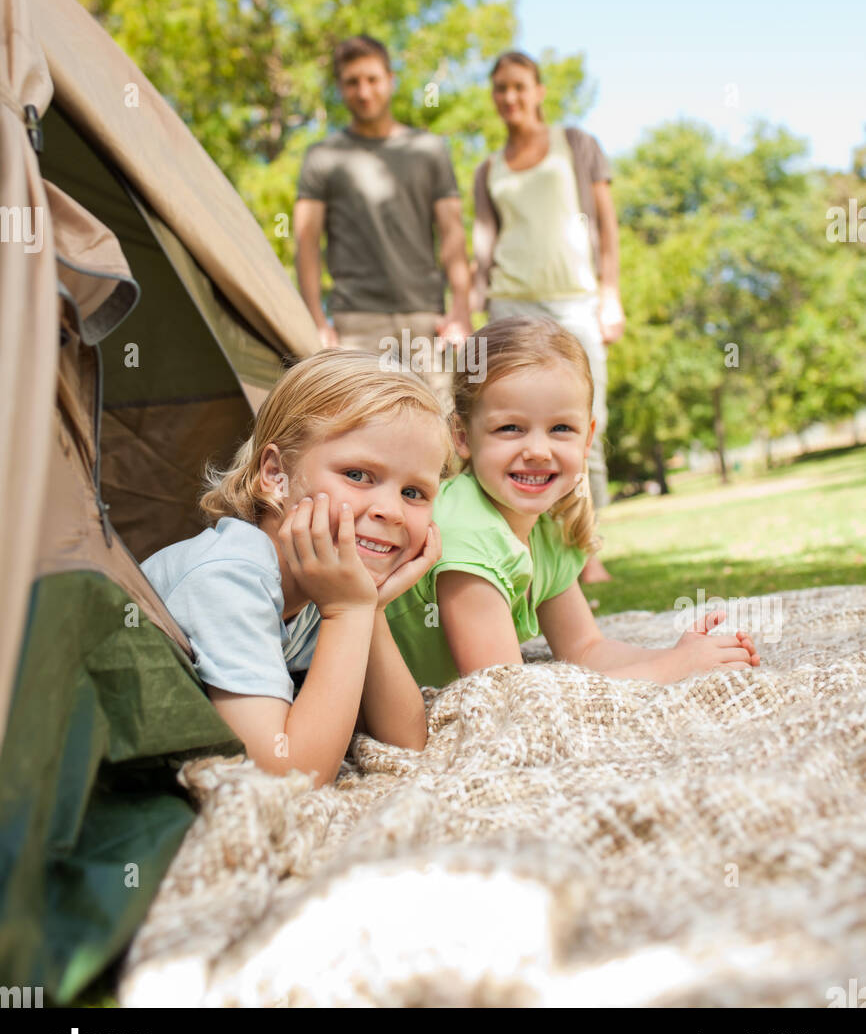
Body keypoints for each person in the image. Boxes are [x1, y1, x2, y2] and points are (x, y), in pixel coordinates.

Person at [386, 318, 760, 689]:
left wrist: (673, 655)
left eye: (560, 428)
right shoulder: (465, 530)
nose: (537, 451)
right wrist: (671, 670)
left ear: (587, 438)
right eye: (510, 428)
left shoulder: (548, 526)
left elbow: (584, 648)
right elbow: (506, 691)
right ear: (462, 436)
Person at [142, 352, 452, 784]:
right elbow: (285, 778)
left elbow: (404, 746)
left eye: (415, 492)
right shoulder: (228, 577)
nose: (391, 511)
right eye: (359, 474)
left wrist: (369, 610)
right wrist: (349, 612)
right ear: (275, 474)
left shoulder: (323, 583)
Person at [471, 50, 624, 582]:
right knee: (509, 432)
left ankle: (587, 550)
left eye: (519, 87)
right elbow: (484, 245)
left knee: (581, 428)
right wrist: (467, 311)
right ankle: (525, 556)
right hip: (509, 303)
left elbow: (606, 225)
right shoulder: (487, 169)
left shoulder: (577, 145)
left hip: (575, 301)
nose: (510, 98)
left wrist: (611, 295)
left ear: (538, 90)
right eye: (500, 90)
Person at [294, 35, 472, 404]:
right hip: (355, 321)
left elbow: (453, 233)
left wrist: (460, 310)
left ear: (391, 79)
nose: (363, 91)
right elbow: (306, 243)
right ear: (340, 89)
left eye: (372, 79)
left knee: (440, 430)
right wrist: (317, 321)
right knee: (363, 431)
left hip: (426, 321)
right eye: (352, 82)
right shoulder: (323, 157)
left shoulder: (429, 150)